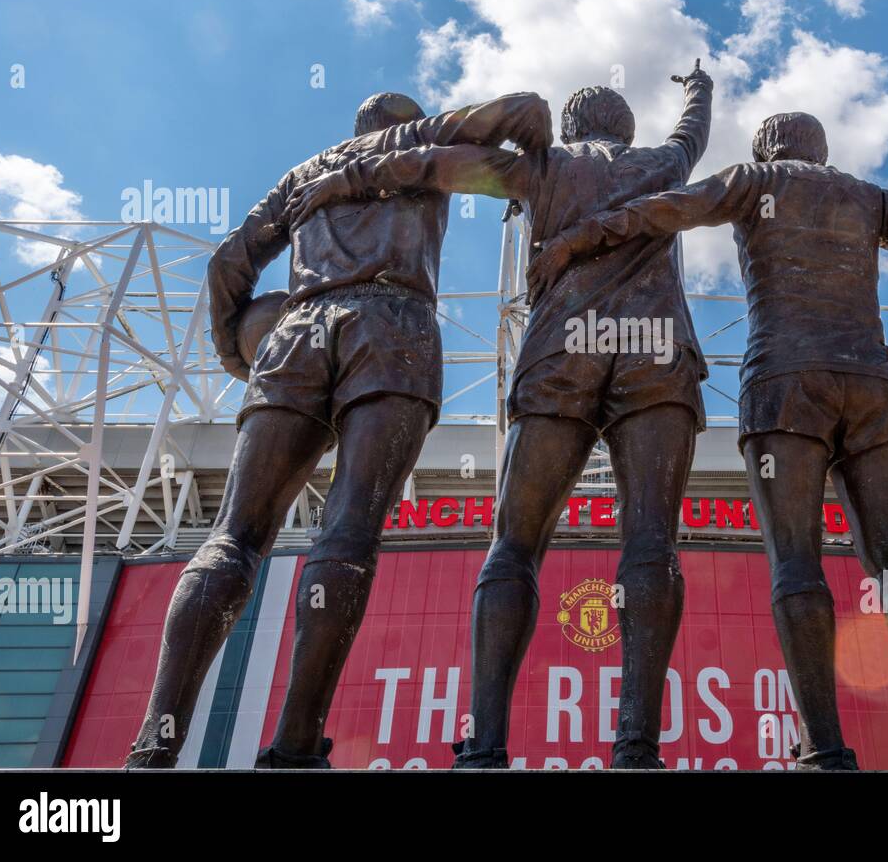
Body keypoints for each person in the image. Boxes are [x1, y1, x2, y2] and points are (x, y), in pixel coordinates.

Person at [283, 63, 713, 768]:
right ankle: (636, 745)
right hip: (655, 352)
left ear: (572, 127)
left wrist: (342, 179)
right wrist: (699, 87)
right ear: (626, 128)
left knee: (515, 546)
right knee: (650, 546)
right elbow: (692, 131)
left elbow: (431, 164)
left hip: (559, 352)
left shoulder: (539, 165)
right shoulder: (664, 161)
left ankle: (486, 745)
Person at [526, 111, 888, 770]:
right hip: (871, 386)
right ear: (819, 150)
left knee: (797, 566)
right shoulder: (869, 197)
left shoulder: (753, 182)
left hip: (785, 386)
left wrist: (578, 237)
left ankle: (827, 750)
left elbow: (662, 211)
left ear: (768, 147)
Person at [125, 90, 551, 768]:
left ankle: (157, 741)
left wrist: (238, 354)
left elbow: (225, 265)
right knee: (348, 533)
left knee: (234, 535)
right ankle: (297, 740)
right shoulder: (421, 147)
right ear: (404, 123)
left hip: (295, 335)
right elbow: (523, 113)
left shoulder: (303, 176)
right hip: (392, 329)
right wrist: (536, 170)